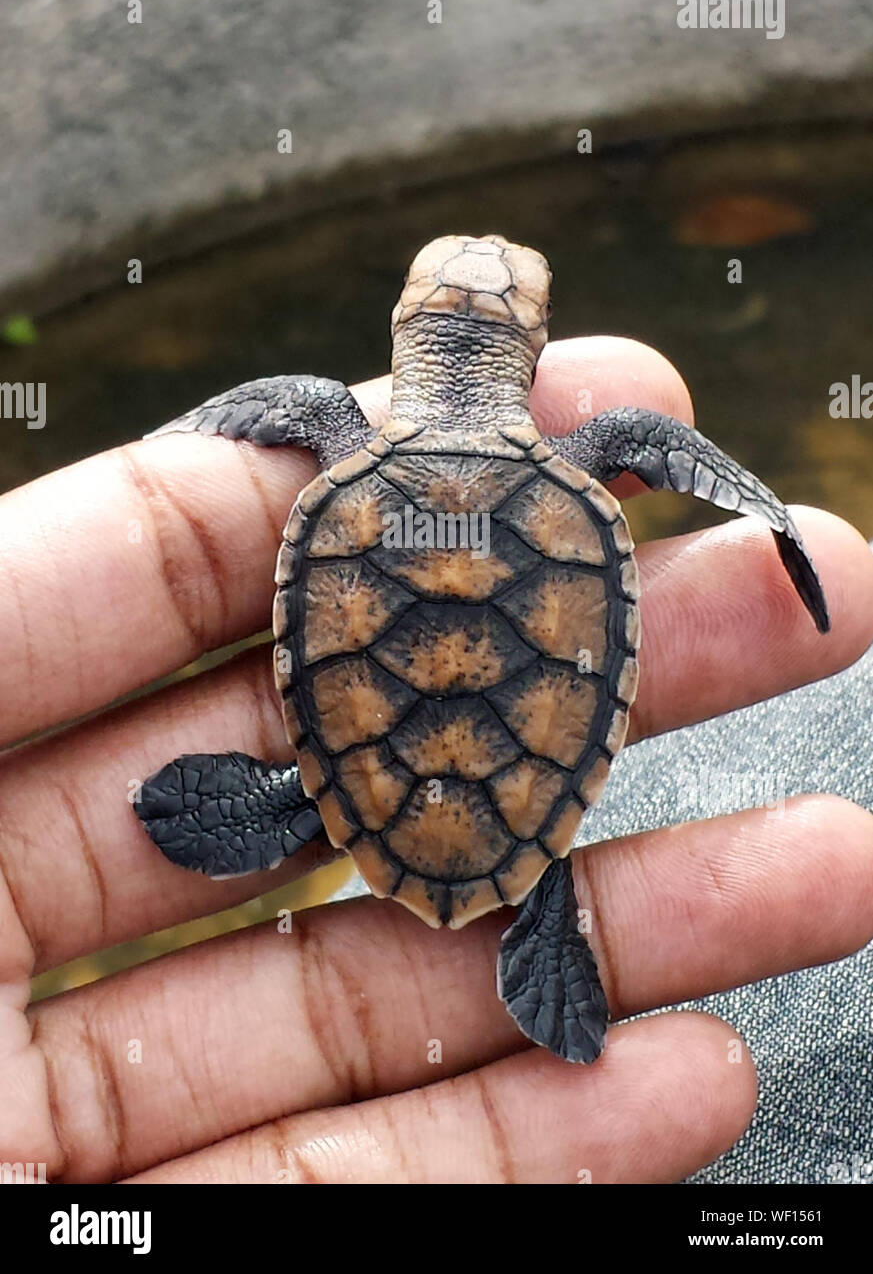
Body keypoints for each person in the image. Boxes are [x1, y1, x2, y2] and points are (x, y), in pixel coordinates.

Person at [1, 335, 872, 1184]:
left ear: (410, 338)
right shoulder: (592, 449)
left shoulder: (334, 426)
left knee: (203, 802)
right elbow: (654, 445)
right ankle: (531, 870)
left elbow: (285, 415)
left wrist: (176, 435)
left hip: (362, 774)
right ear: (525, 351)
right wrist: (770, 516)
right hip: (520, 788)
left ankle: (305, 808)